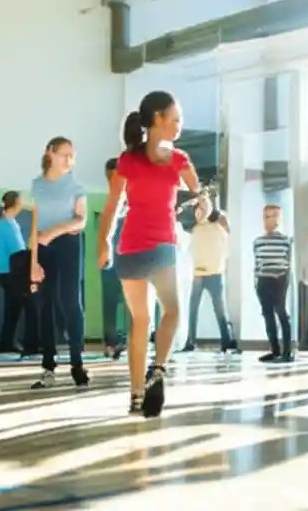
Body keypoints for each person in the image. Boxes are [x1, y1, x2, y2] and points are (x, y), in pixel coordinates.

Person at [98, 90, 199, 416]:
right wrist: (204, 204)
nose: (180, 126)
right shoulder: (179, 159)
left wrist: (103, 243)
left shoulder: (127, 160)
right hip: (161, 248)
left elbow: (112, 207)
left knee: (140, 322)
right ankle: (158, 369)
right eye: (176, 119)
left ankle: (136, 396)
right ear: (158, 119)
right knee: (171, 311)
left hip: (129, 250)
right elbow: (201, 196)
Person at [28, 137, 90, 389]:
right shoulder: (36, 186)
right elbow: (33, 225)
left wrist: (52, 233)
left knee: (70, 302)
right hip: (42, 248)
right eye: (65, 154)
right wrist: (33, 261)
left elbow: (81, 220)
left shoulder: (76, 186)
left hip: (67, 246)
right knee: (45, 305)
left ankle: (77, 363)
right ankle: (48, 366)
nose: (69, 160)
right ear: (50, 153)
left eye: (72, 155)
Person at [182, 195, 238, 354]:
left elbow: (227, 228)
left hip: (215, 271)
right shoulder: (193, 223)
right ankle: (190, 341)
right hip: (198, 271)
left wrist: (211, 211)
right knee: (192, 309)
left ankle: (226, 341)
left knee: (220, 309)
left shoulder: (220, 220)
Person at [0, 190, 38, 357]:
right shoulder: (5, 224)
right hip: (11, 273)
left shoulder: (10, 222)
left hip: (11, 272)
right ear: (16, 204)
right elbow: (17, 251)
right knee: (22, 307)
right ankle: (24, 343)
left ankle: (7, 342)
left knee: (13, 310)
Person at [254, 204, 294, 363]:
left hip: (279, 279)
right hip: (263, 280)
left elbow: (288, 262)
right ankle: (275, 350)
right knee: (267, 315)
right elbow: (257, 263)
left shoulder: (286, 240)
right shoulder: (258, 241)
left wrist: (284, 279)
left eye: (272, 216)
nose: (268, 220)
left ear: (278, 218)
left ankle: (287, 352)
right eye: (265, 216)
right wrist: (256, 282)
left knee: (282, 313)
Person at [100, 158, 131, 360]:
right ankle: (110, 342)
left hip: (130, 263)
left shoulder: (133, 203)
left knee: (131, 305)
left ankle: (129, 342)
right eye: (111, 177)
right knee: (109, 304)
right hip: (110, 263)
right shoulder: (108, 205)